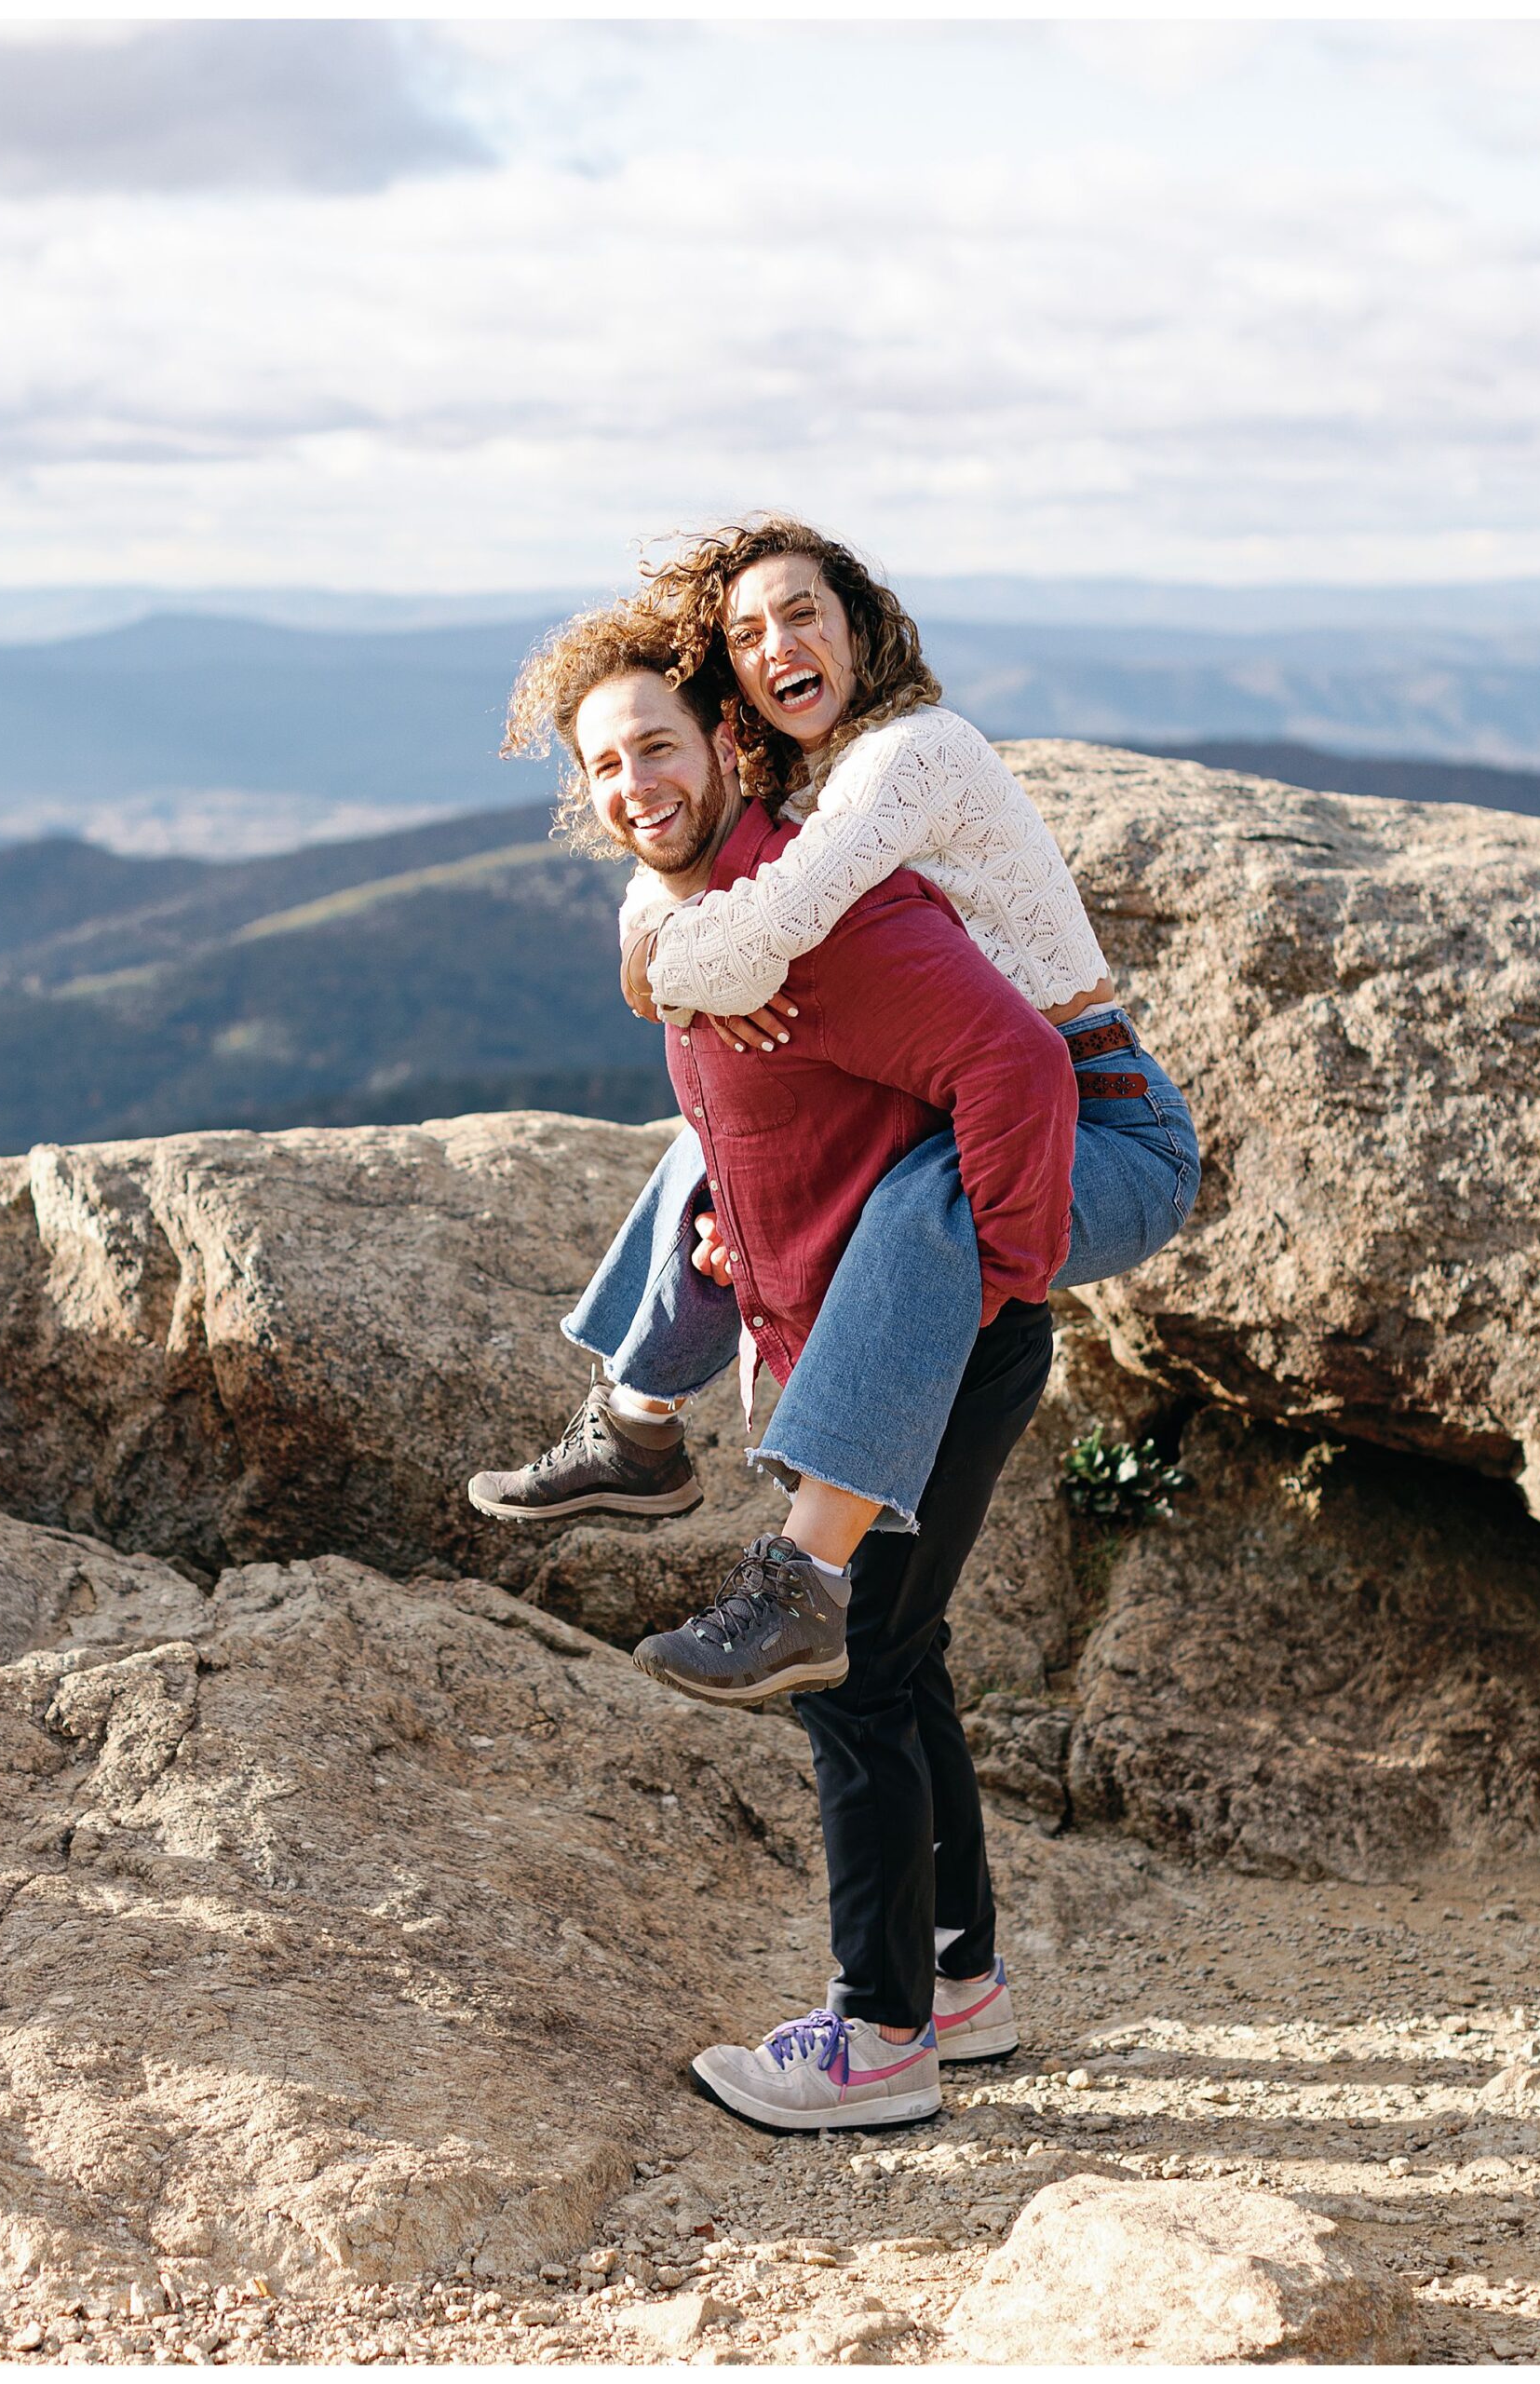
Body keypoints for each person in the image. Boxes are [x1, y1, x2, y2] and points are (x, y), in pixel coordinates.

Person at [485, 602, 1066, 2126]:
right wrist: (743, 1242)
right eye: (605, 765)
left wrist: (996, 1279)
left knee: (847, 1674)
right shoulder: (707, 922)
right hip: (858, 1340)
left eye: (657, 746)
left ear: (729, 743)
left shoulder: (824, 913)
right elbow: (803, 1129)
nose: (635, 785)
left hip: (934, 1349)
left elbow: (1015, 1066)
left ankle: (879, 2042)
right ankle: (958, 1983)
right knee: (896, 1656)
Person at [469, 516, 1198, 1711]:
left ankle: (803, 1581)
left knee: (924, 1207)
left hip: (1106, 1126)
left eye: (802, 612)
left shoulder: (906, 755)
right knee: (711, 1149)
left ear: (858, 625)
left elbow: (760, 931)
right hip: (978, 1107)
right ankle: (637, 1419)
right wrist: (664, 954)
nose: (778, 644)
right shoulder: (795, 782)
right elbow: (670, 887)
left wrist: (993, 1279)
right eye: (746, 632)